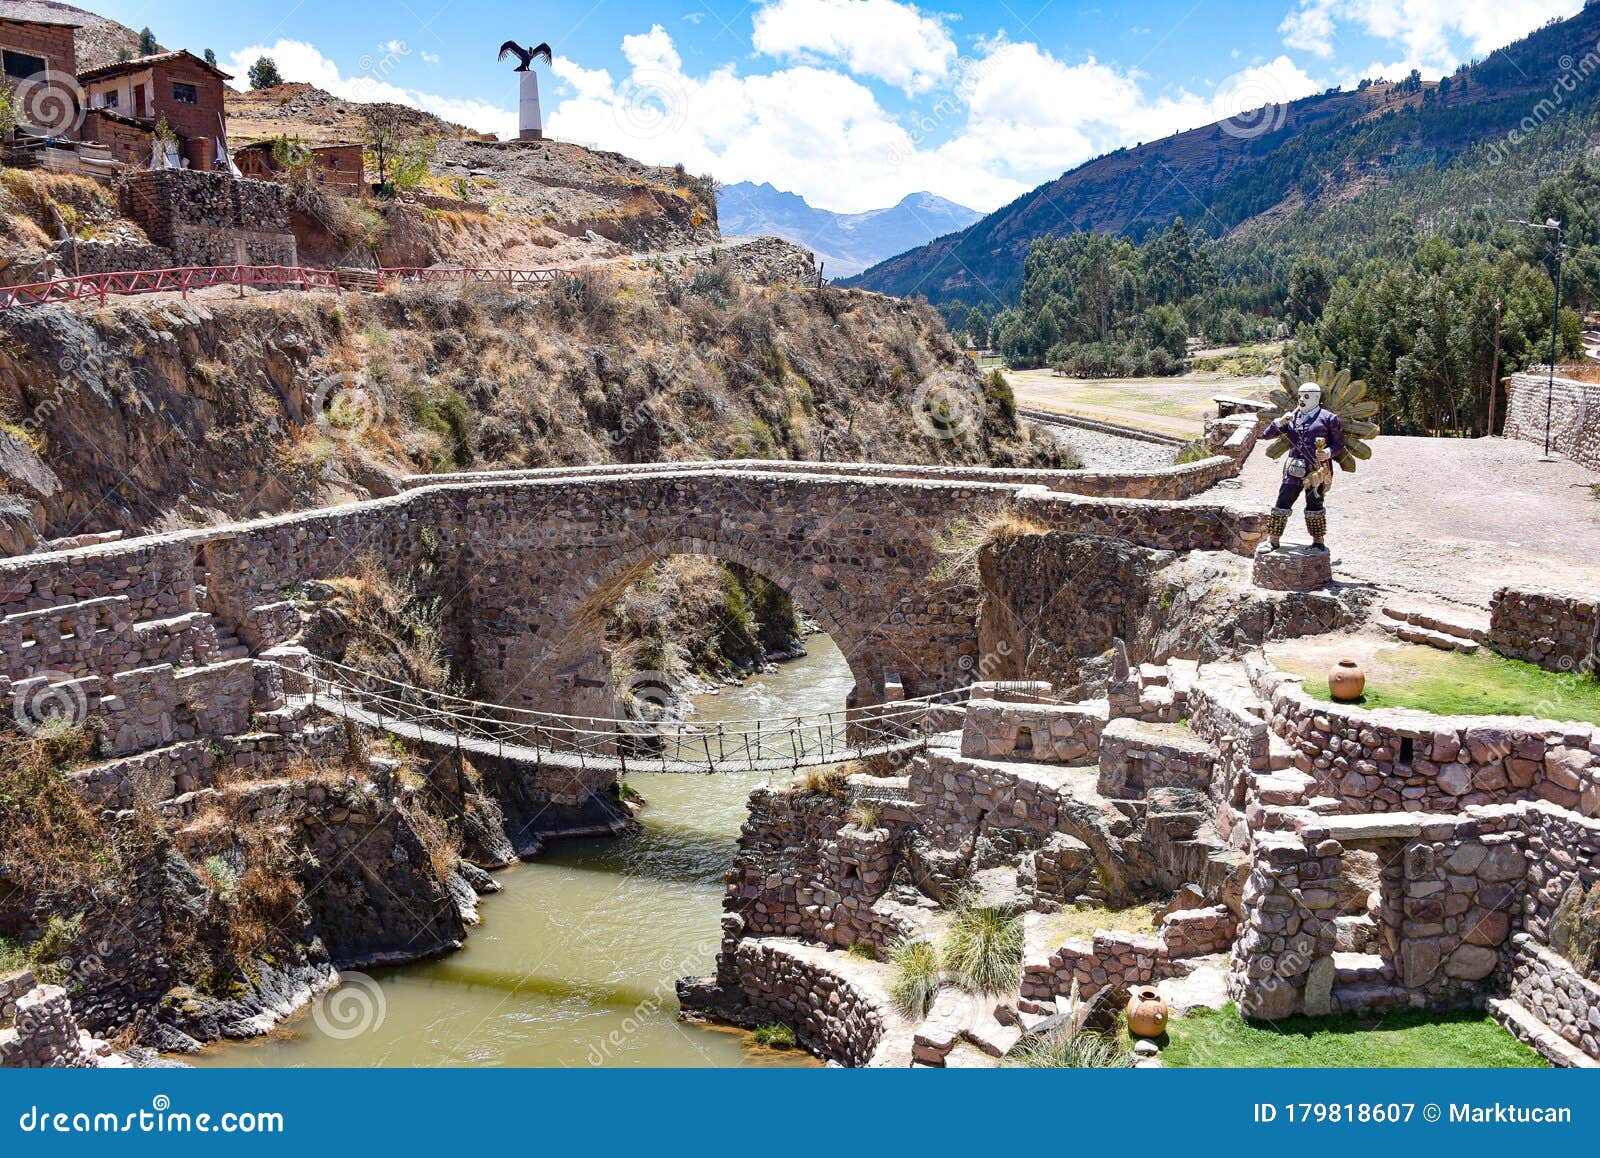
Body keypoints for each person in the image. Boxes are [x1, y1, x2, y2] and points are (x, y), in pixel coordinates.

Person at [1262, 381, 1344, 550]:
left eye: (1306, 396)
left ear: (1316, 398)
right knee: (1282, 502)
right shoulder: (1292, 417)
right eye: (1299, 396)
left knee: (1315, 504)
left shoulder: (1329, 418)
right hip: (1293, 470)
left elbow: (1339, 445)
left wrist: (1327, 452)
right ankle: (1273, 540)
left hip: (1317, 470)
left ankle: (1318, 542)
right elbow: (1266, 435)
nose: (1301, 400)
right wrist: (1279, 422)